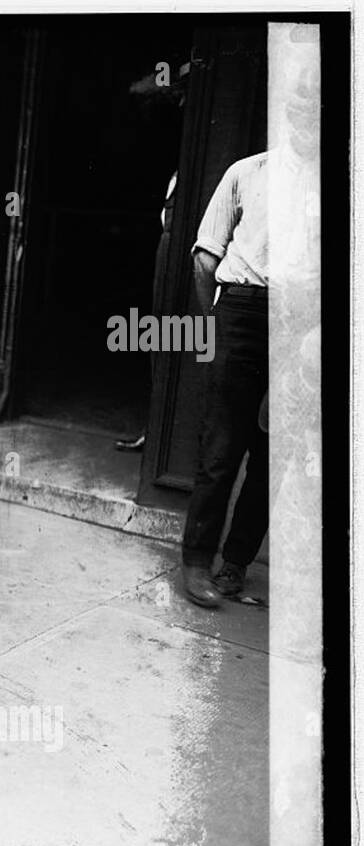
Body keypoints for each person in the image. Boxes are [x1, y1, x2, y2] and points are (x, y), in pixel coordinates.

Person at [181, 153, 271, 607]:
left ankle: (236, 564)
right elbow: (204, 257)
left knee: (271, 452)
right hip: (240, 313)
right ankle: (197, 563)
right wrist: (213, 330)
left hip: (301, 321)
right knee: (220, 447)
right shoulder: (247, 172)